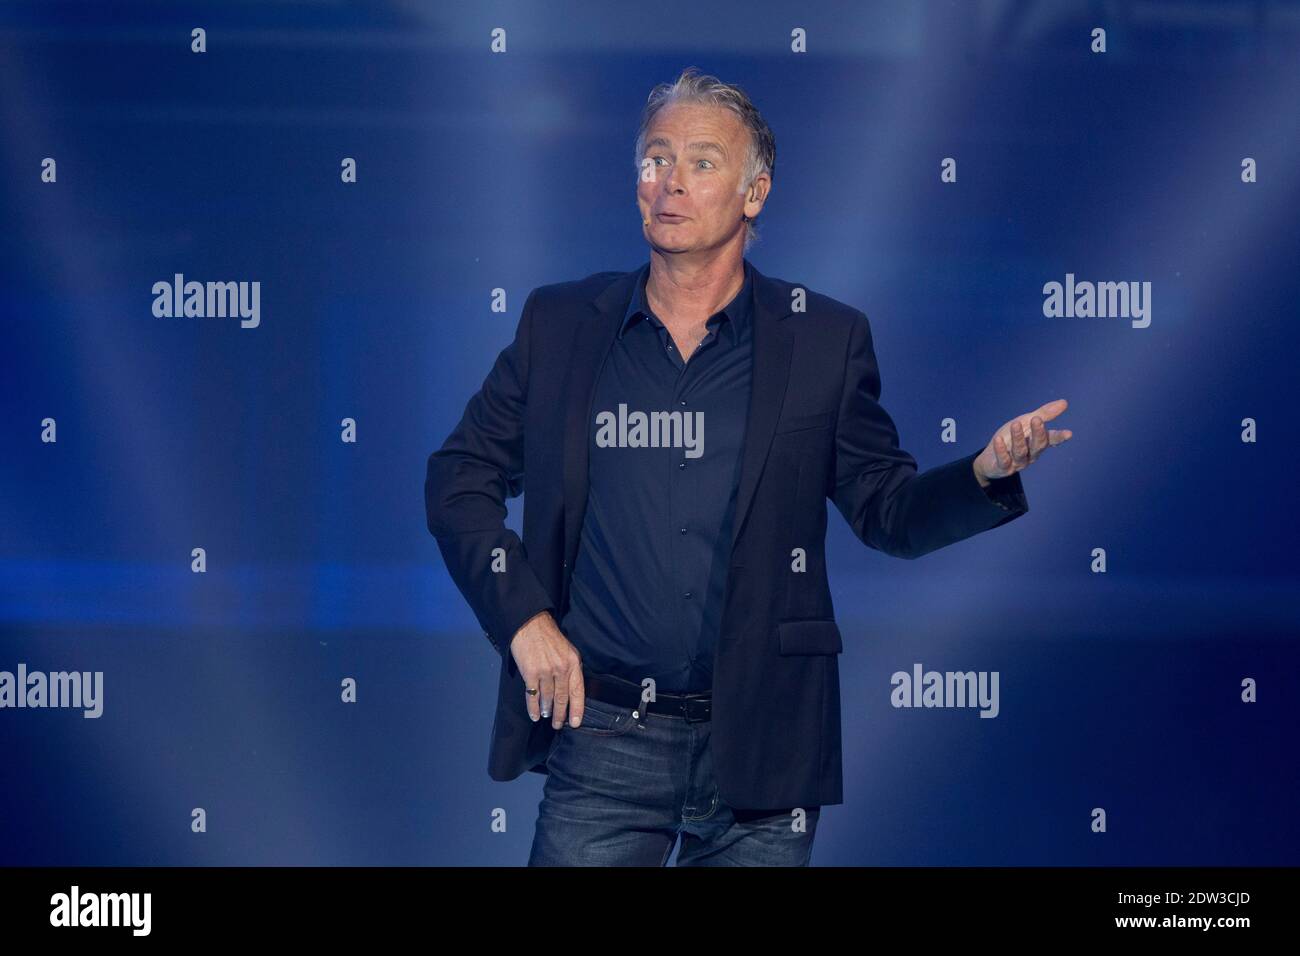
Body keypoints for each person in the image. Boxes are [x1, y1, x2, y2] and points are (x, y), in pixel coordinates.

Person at [424, 67, 1072, 866]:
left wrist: (984, 472)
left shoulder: (823, 341)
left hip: (765, 749)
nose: (670, 182)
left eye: (701, 162)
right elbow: (458, 479)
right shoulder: (561, 326)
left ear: (754, 192)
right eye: (655, 158)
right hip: (602, 738)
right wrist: (524, 620)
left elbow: (889, 513)